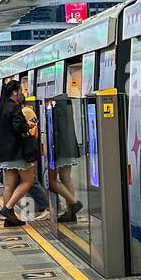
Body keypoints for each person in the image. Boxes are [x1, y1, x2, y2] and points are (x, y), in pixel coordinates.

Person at [0, 79, 36, 227]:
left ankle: (9, 219)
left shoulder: (2, 108)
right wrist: (27, 125)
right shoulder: (15, 107)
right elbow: (17, 128)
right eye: (21, 91)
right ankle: (8, 208)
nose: (22, 94)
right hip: (17, 151)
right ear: (15, 92)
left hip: (4, 151)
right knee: (28, 181)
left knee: (9, 185)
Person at [48, 95, 83, 223]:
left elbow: (53, 128)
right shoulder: (66, 103)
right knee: (66, 177)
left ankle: (74, 203)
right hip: (68, 144)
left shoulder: (55, 105)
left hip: (58, 147)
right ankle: (70, 213)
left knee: (52, 180)